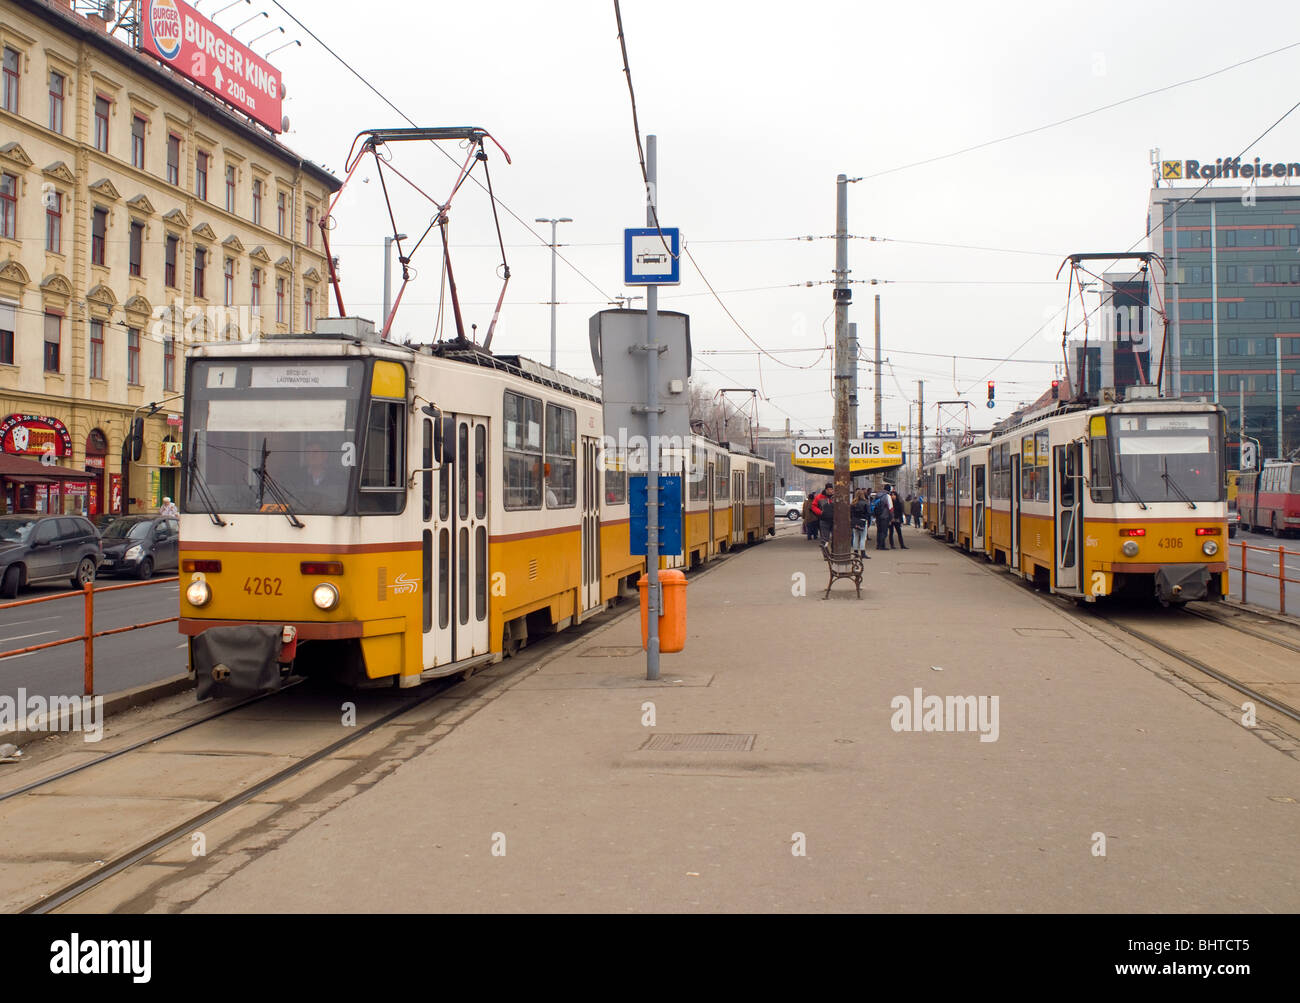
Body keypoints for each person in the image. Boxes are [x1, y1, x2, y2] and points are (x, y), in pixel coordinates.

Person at [850, 488, 870, 557]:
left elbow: (850, 513)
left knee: (855, 537)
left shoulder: (853, 503)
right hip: (863, 521)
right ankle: (863, 553)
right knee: (862, 537)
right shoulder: (865, 502)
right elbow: (868, 513)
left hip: (855, 521)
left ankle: (855, 553)